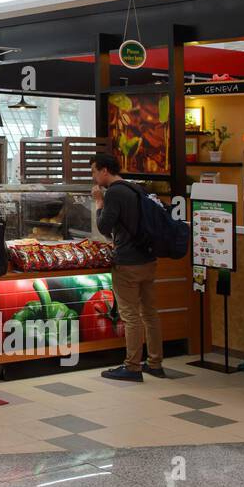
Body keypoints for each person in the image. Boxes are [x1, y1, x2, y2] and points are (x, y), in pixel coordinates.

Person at [90, 152, 164, 381]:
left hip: (128, 262)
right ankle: (155, 362)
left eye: (94, 171)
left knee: (131, 316)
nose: (94, 177)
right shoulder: (135, 188)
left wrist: (99, 202)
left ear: (104, 170)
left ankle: (132, 367)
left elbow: (104, 227)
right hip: (148, 259)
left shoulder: (114, 193)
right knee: (150, 313)